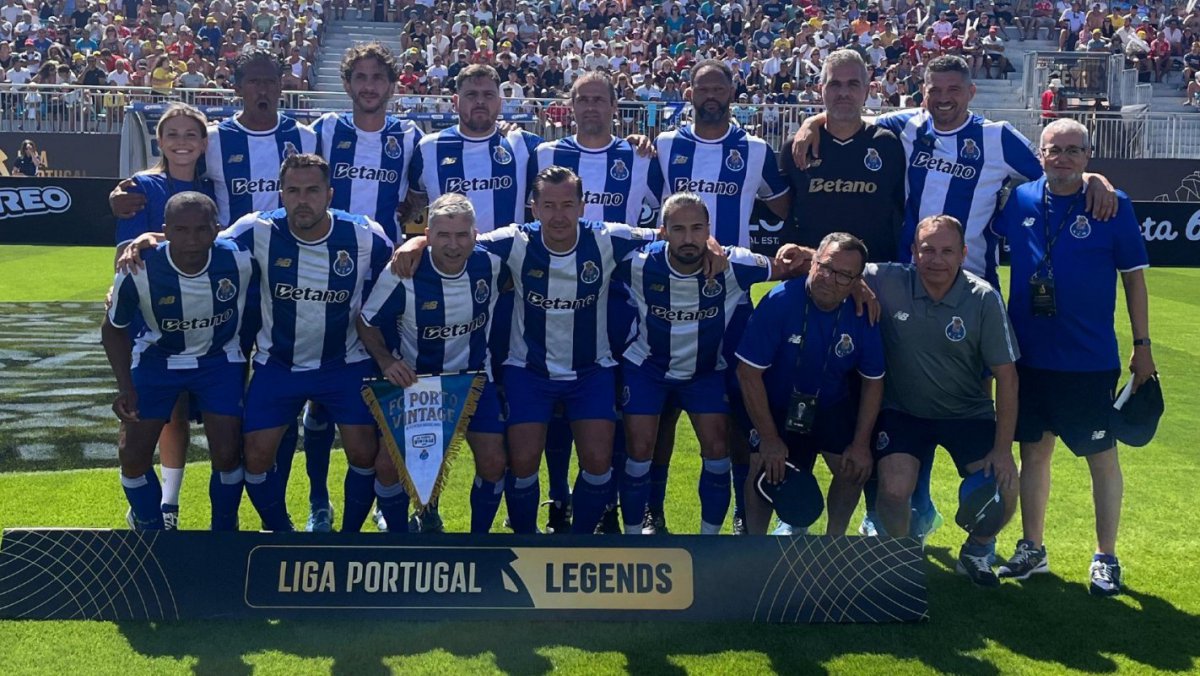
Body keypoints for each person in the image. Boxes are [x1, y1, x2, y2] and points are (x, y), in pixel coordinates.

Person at [393, 167, 660, 535]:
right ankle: (525, 540)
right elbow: (457, 239)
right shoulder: (515, 240)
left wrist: (711, 244)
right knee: (522, 463)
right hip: (528, 371)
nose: (559, 214)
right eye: (548, 205)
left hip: (590, 370)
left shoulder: (606, 239)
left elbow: (666, 235)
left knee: (598, 462)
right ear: (533, 207)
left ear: (583, 206)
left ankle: (578, 542)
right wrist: (417, 242)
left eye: (568, 204)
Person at [992, 119, 1153, 597]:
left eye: (1072, 150)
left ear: (1088, 155)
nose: (1061, 157)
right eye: (1053, 149)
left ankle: (1106, 555)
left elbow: (1134, 279)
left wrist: (1142, 345)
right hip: (1028, 357)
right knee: (1034, 454)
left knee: (1101, 458)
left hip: (1089, 359)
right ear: (1039, 154)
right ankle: (1032, 548)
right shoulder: (1018, 200)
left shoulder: (1111, 204)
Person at [648, 58, 791, 536]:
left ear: (732, 93)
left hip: (732, 299)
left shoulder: (754, 150)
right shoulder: (665, 146)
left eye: (718, 88)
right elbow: (647, 208)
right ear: (688, 92)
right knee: (661, 411)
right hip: (667, 292)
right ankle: (654, 512)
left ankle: (738, 509)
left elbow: (782, 206)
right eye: (701, 87)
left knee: (733, 409)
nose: (710, 95)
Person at [222, 153, 393, 533]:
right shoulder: (256, 230)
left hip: (344, 363)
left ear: (330, 194)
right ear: (280, 194)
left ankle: (348, 537)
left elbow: (399, 276)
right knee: (255, 456)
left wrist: (415, 246)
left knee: (364, 452)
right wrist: (150, 240)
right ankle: (282, 533)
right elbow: (200, 244)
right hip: (278, 363)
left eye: (312, 190)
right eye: (293, 190)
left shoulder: (365, 235)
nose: (303, 199)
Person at [615, 192, 802, 536]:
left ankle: (709, 542)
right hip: (648, 370)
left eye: (697, 228)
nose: (689, 239)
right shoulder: (637, 263)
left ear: (709, 231)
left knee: (718, 448)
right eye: (679, 229)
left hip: (705, 373)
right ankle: (634, 539)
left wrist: (858, 281)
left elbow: (797, 267)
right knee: (639, 449)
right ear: (664, 231)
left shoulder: (736, 265)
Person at [865, 215, 1020, 587]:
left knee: (1004, 487)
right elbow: (834, 262)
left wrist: (1002, 450)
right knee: (893, 489)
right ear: (913, 253)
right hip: (904, 411)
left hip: (967, 412)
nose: (937, 259)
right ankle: (899, 558)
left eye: (947, 251)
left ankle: (978, 549)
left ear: (964, 253)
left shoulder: (983, 298)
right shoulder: (888, 279)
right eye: (927, 250)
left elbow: (1008, 379)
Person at [358, 193, 511, 534]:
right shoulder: (403, 270)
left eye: (461, 235)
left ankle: (479, 541)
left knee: (493, 461)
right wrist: (385, 361)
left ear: (476, 234)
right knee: (387, 466)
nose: (453, 245)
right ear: (428, 234)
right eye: (443, 235)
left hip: (472, 380)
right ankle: (400, 537)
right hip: (418, 382)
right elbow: (366, 321)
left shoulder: (494, 262)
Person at [102, 192, 254, 531]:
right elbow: (113, 330)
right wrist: (125, 387)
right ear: (165, 230)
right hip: (158, 360)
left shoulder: (241, 259)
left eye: (202, 230)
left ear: (217, 230)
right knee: (132, 455)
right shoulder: (139, 268)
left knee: (228, 453)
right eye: (181, 230)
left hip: (219, 359)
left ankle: (224, 532)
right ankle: (152, 529)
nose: (192, 240)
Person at [737, 232, 885, 536]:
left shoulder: (863, 311)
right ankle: (753, 548)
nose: (830, 279)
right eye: (826, 267)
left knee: (853, 467)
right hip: (776, 405)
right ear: (813, 262)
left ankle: (833, 544)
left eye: (844, 275)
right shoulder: (779, 300)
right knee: (762, 466)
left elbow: (873, 382)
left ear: (857, 281)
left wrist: (860, 444)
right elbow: (747, 374)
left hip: (829, 404)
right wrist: (768, 438)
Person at [112, 104, 216, 529]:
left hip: (205, 313)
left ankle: (169, 503)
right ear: (159, 140)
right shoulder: (141, 186)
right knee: (150, 410)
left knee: (184, 410)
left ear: (205, 142)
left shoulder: (215, 185)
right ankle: (149, 506)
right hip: (150, 317)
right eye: (172, 134)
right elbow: (124, 251)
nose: (181, 142)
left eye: (190, 134)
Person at [783, 50, 906, 264]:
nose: (843, 92)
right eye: (834, 84)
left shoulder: (889, 145)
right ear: (821, 90)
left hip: (874, 275)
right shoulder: (797, 147)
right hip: (811, 275)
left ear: (867, 91)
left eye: (853, 84)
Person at [407, 64, 542, 235]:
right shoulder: (428, 148)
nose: (480, 101)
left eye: (488, 95)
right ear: (455, 102)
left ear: (499, 103)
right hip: (449, 258)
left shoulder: (525, 144)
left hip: (508, 260)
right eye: (471, 95)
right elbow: (413, 207)